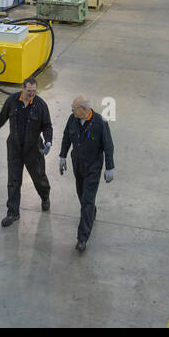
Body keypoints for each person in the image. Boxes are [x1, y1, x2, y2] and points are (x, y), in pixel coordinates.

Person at [0, 77, 53, 227]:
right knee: (13, 181)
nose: (31, 94)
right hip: (14, 148)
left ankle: (45, 196)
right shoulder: (12, 101)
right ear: (23, 88)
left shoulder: (40, 105)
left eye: (34, 91)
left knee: (39, 177)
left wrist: (48, 141)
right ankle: (12, 213)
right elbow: (2, 117)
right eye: (29, 91)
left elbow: (47, 125)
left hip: (34, 149)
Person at [58, 96, 115, 253]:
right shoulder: (73, 119)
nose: (72, 111)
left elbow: (108, 145)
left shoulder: (100, 122)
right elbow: (66, 137)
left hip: (93, 167)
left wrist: (109, 167)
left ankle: (82, 238)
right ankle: (91, 213)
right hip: (78, 164)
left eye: (74, 108)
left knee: (87, 200)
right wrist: (62, 156)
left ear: (83, 109)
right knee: (81, 195)